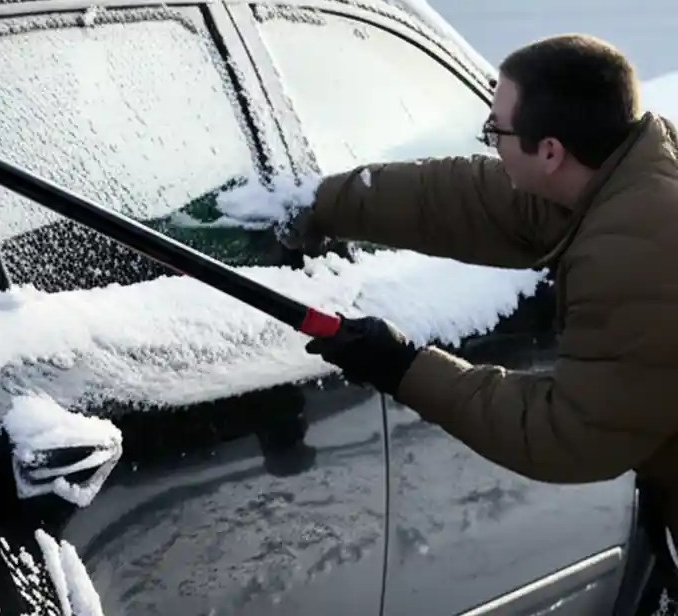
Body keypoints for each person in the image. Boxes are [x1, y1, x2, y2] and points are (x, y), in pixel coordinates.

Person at [284, 34, 678, 589]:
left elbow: (569, 435)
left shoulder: (636, 246)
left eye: (496, 131)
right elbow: (469, 200)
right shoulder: (627, 173)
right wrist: (319, 203)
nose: (489, 143)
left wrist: (402, 367)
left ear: (550, 152)